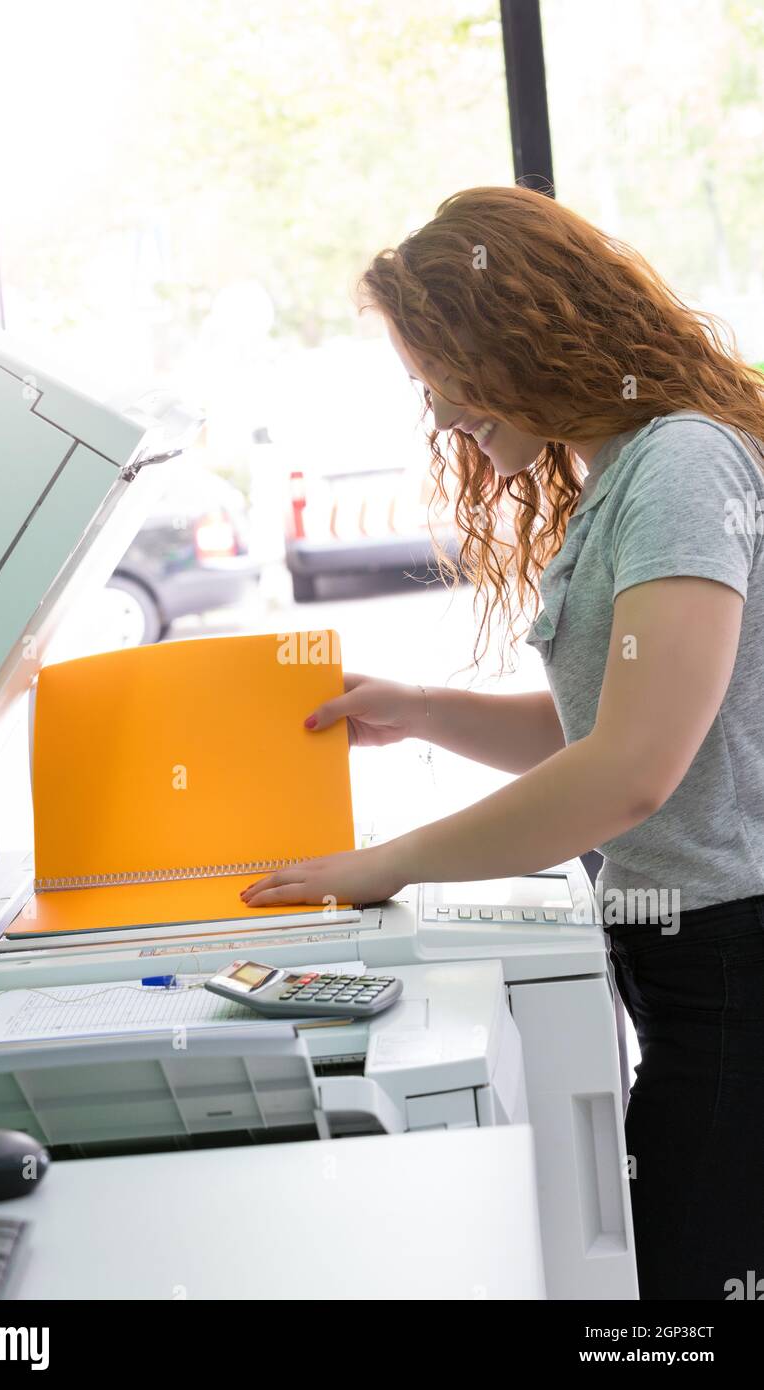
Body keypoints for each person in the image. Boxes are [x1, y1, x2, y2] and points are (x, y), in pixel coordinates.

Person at [241, 185, 764, 1300]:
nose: (438, 409)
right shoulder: (617, 472)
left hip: (735, 962)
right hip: (690, 963)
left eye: (444, 372)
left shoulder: (677, 466)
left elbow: (629, 773)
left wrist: (387, 863)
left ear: (525, 333)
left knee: (681, 1291)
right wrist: (420, 709)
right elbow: (603, 726)